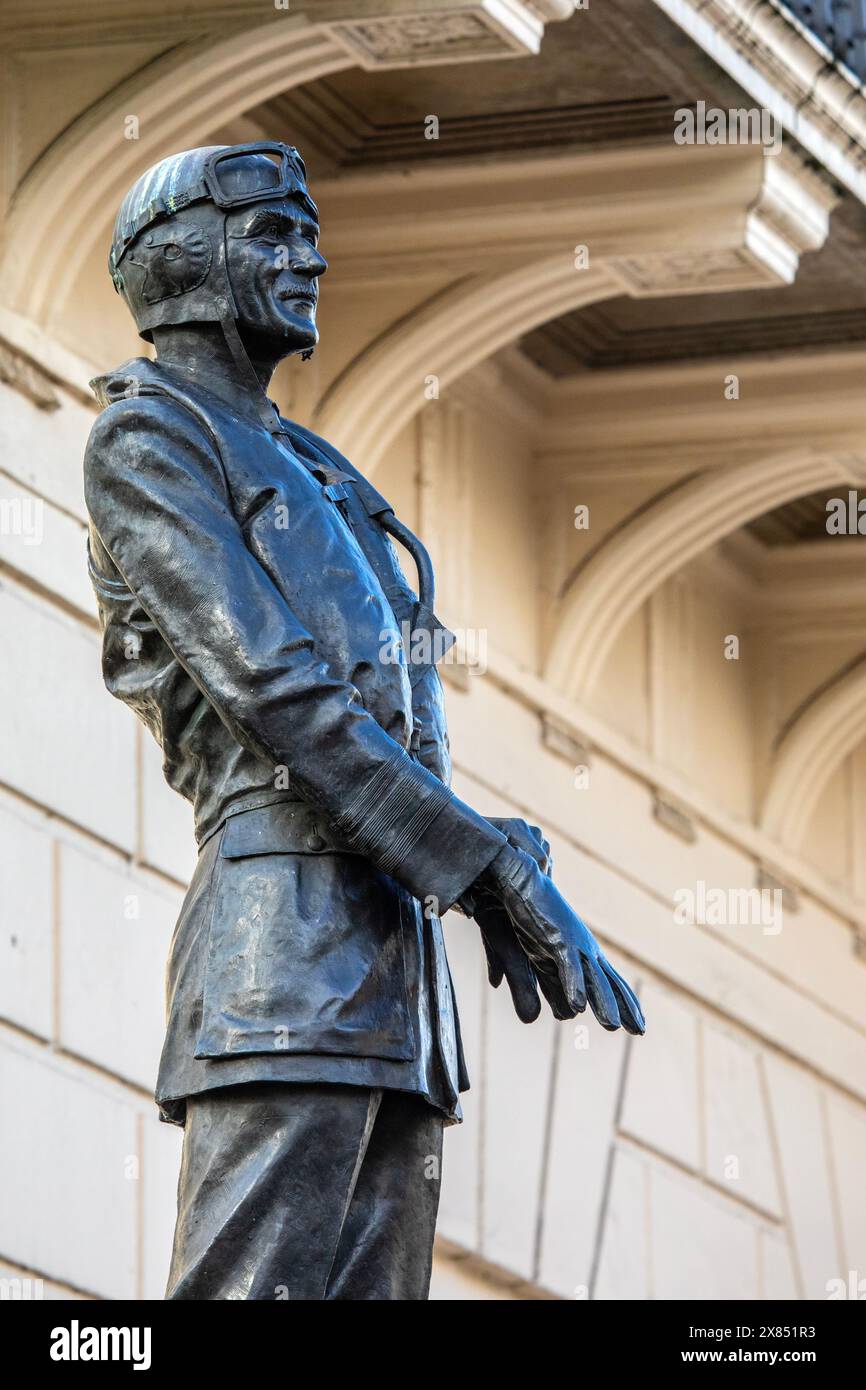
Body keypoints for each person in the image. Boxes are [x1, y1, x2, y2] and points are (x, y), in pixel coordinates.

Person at [83, 142, 645, 1300]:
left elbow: (381, 714)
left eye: (308, 231)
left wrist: (483, 849)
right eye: (276, 235)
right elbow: (276, 690)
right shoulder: (150, 439)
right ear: (184, 262)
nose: (313, 256)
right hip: (278, 960)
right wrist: (480, 867)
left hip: (391, 977)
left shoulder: (313, 466)